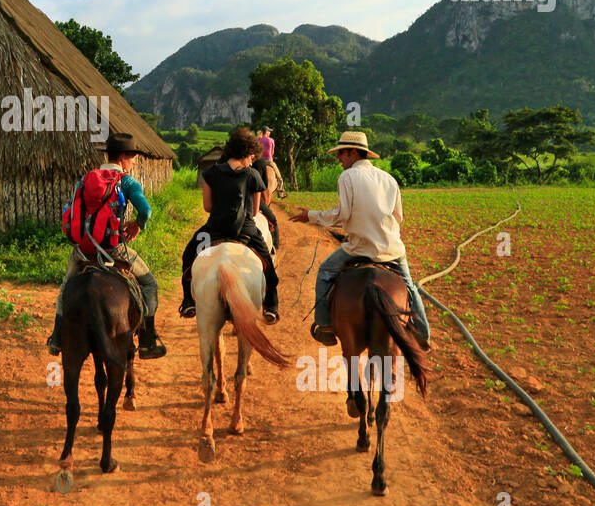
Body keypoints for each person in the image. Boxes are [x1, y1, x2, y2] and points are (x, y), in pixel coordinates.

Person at [288, 131, 431, 351]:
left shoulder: (347, 177)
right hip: (392, 249)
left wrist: (312, 215)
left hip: (359, 248)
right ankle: (423, 332)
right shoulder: (389, 179)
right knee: (409, 286)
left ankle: (325, 325)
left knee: (325, 272)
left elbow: (342, 214)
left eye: (341, 153)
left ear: (354, 152)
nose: (338, 158)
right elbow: (398, 217)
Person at [47, 133, 165, 359]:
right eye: (132, 157)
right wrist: (139, 224)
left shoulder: (86, 179)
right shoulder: (127, 182)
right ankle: (148, 340)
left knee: (65, 289)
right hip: (114, 250)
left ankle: (57, 338)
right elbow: (146, 211)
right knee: (150, 284)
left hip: (83, 252)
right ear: (122, 157)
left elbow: (72, 210)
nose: (133, 162)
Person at [178, 126, 279, 321]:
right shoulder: (253, 175)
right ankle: (271, 306)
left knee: (188, 256)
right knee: (269, 267)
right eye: (252, 157)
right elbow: (255, 212)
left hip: (213, 231)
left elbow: (208, 207)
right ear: (248, 152)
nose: (252, 160)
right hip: (246, 232)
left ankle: (189, 301)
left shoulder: (210, 173)